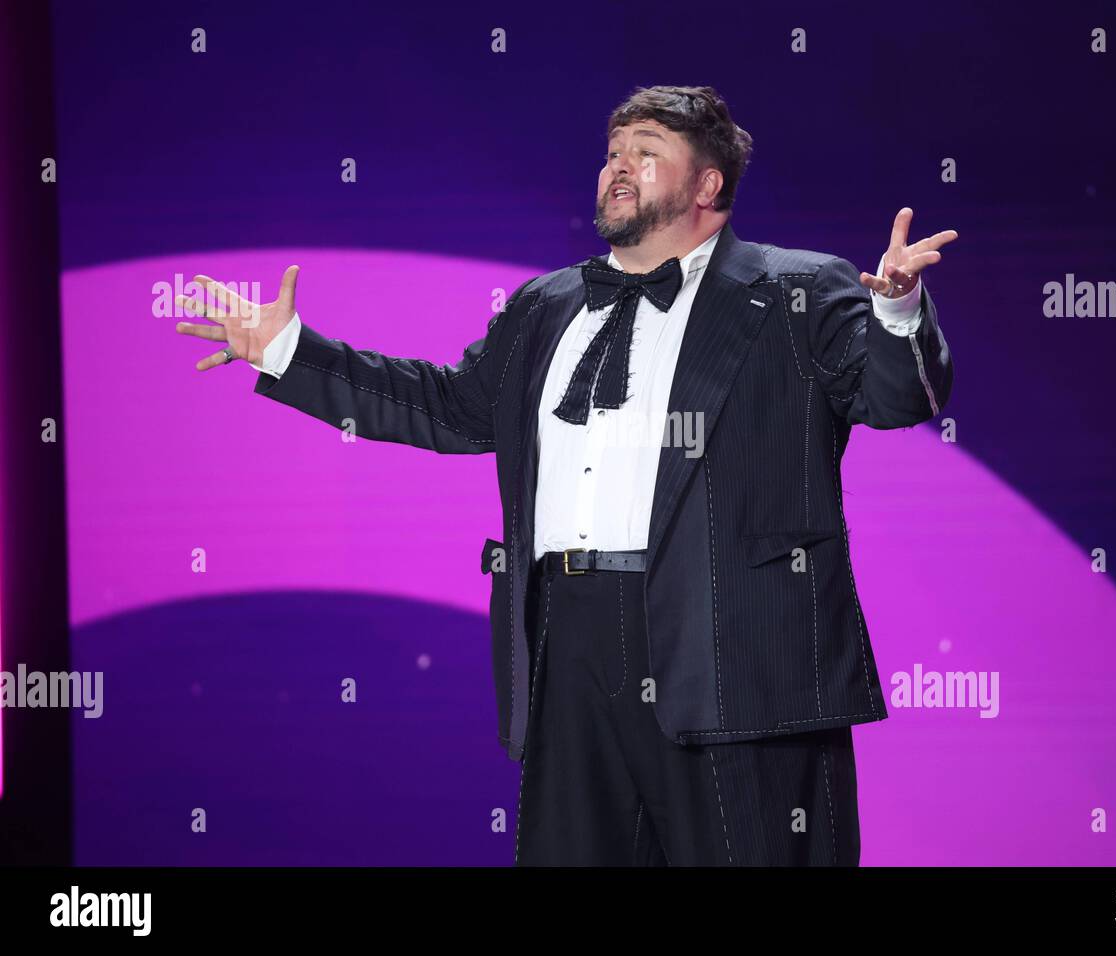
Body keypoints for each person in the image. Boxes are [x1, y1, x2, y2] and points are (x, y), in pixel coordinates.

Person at [175, 85, 957, 866]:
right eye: (614, 152)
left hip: (733, 653)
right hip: (567, 643)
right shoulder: (546, 306)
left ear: (707, 184)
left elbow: (894, 397)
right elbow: (449, 408)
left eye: (647, 153)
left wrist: (896, 310)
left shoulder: (794, 288)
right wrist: (289, 352)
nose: (620, 167)